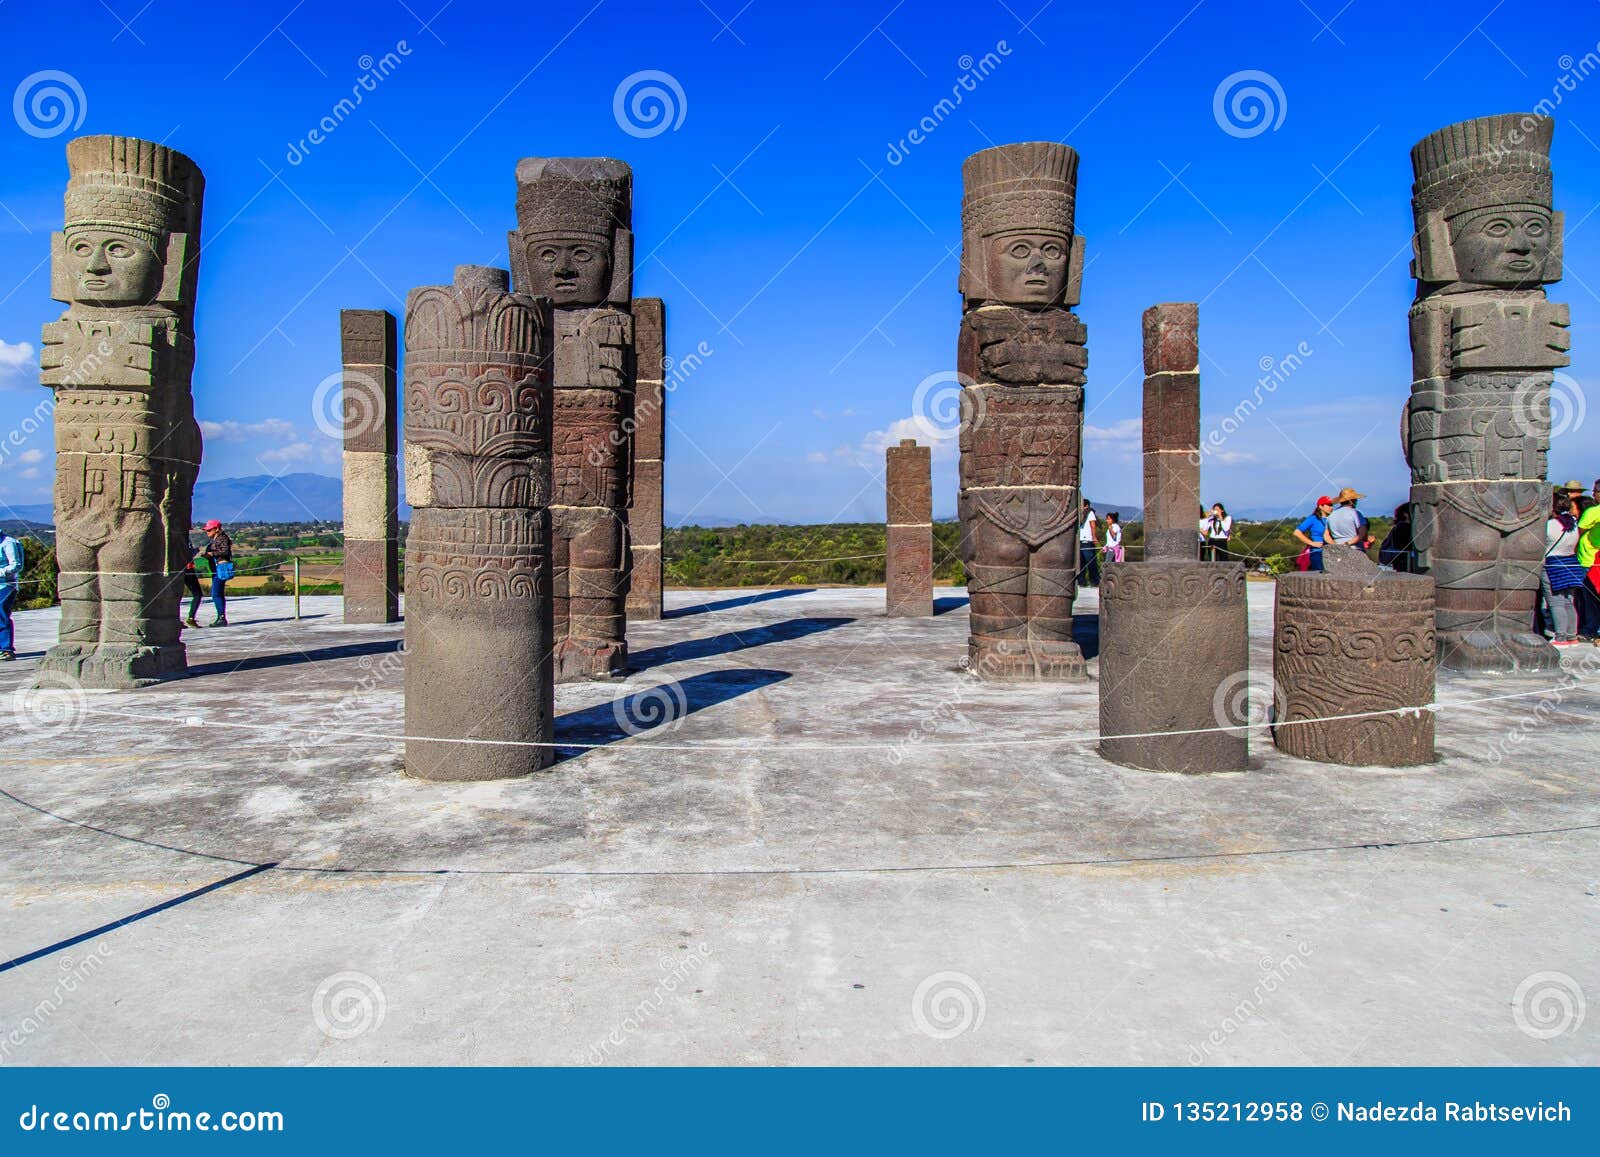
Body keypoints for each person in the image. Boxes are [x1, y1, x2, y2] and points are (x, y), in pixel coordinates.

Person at [1542, 493, 1585, 645]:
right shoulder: (1573, 522)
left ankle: (1560, 637)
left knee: (1556, 602)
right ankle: (1572, 635)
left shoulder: (1549, 525)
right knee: (1569, 602)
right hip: (1571, 562)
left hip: (1553, 564)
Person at [200, 518, 233, 627]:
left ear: (217, 529)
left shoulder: (222, 538)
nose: (207, 532)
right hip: (216, 568)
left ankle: (221, 617)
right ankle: (221, 616)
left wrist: (211, 554)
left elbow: (225, 551)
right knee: (218, 593)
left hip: (220, 568)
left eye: (209, 530)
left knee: (216, 594)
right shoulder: (217, 539)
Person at [1577, 496, 1600, 643]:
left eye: (1595, 490)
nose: (1593, 494)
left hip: (1589, 559)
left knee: (1589, 600)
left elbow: (1578, 533)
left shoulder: (1593, 511)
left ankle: (1589, 630)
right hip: (1593, 559)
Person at [0, 528, 23, 661]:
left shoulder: (9, 543)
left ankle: (6, 649)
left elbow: (16, 565)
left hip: (6, 585)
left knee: (1, 614)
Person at [1294, 497, 1334, 572]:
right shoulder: (1313, 519)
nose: (1331, 507)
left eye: (1332, 505)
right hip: (1317, 552)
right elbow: (1297, 532)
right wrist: (1311, 543)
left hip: (1331, 552)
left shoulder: (1333, 518)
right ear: (1320, 506)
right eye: (1328, 505)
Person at [1378, 504, 1415, 572]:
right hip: (1402, 562)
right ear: (1406, 514)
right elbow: (1404, 546)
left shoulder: (1398, 526)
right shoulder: (1404, 527)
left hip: (1396, 561)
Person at [1076, 499, 1100, 588]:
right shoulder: (1089, 513)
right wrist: (1094, 537)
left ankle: (1083, 581)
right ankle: (1093, 581)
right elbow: (1093, 525)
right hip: (1087, 540)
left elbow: (1091, 525)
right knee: (1090, 562)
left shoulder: (1082, 513)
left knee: (1082, 562)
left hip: (1082, 539)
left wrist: (1093, 537)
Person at [181, 544, 204, 629]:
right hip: (187, 569)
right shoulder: (185, 539)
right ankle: (191, 617)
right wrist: (197, 550)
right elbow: (189, 553)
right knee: (197, 594)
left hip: (176, 569)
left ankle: (176, 619)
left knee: (176, 596)